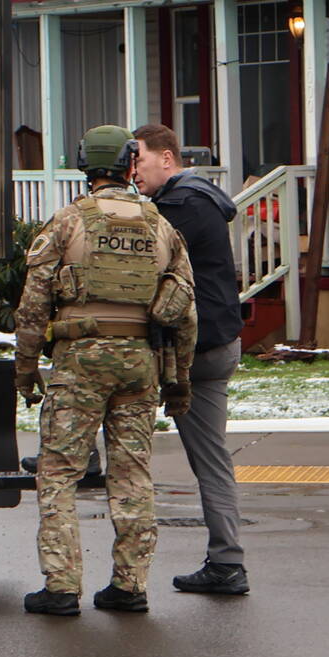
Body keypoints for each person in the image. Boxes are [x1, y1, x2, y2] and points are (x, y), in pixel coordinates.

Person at [15, 125, 196, 615]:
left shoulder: (68, 222)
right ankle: (130, 586)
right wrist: (178, 381)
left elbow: (33, 306)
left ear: (84, 164)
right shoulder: (160, 226)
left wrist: (26, 367)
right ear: (129, 165)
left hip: (80, 362)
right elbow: (184, 310)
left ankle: (61, 587)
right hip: (139, 365)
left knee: (58, 473)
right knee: (132, 474)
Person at [132, 123, 250, 596]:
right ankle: (227, 562)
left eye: (138, 158)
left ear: (167, 157)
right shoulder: (202, 199)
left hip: (190, 350)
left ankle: (82, 465)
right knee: (211, 459)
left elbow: (144, 268)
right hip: (217, 344)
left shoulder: (180, 205)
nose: (133, 169)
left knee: (106, 391)